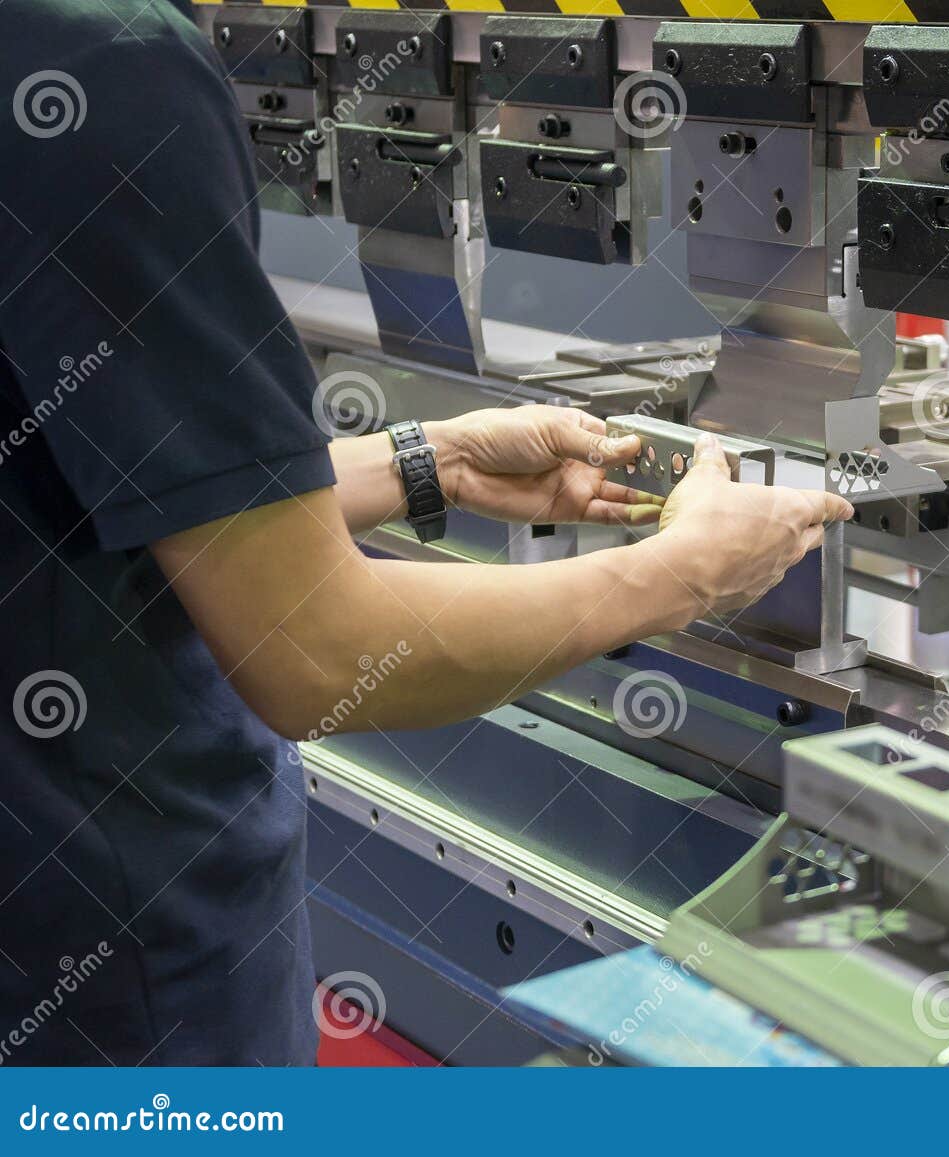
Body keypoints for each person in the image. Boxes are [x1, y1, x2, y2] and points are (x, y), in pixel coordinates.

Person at [0, 0, 850, 1064]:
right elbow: (318, 650)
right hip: (108, 974)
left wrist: (428, 462)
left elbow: (78, 482)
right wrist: (683, 573)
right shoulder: (101, 59)